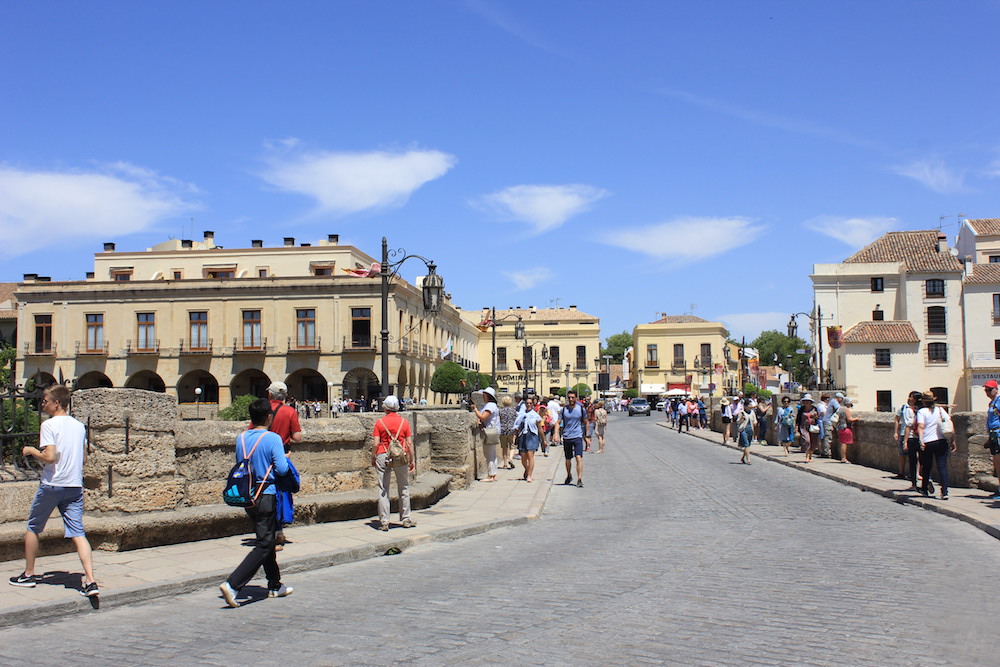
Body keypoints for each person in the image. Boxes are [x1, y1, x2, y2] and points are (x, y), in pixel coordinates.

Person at [9, 385, 99, 596]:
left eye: (45, 401)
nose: (42, 404)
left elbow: (50, 457)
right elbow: (84, 457)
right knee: (78, 532)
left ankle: (29, 574)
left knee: (33, 527)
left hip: (52, 484)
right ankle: (91, 580)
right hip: (74, 485)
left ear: (56, 403)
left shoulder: (48, 425)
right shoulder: (78, 426)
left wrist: (32, 451)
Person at [219, 398, 292, 607]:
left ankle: (274, 585)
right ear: (269, 417)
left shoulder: (241, 438)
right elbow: (282, 470)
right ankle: (233, 584)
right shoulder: (272, 439)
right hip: (266, 493)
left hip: (247, 494)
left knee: (265, 538)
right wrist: (285, 457)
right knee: (264, 543)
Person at [266, 382, 302, 551]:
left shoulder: (263, 410)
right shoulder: (289, 411)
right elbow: (297, 437)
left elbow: (252, 430)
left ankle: (273, 532)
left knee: (266, 493)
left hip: (264, 457)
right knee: (282, 493)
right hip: (283, 456)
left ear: (270, 395)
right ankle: (278, 532)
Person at [371, 395, 415, 530]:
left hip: (383, 454)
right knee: (404, 487)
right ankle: (406, 519)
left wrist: (373, 456)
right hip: (400, 455)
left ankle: (384, 521)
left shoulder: (379, 423)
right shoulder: (404, 422)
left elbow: (375, 443)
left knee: (384, 489)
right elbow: (409, 443)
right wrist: (411, 459)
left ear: (385, 408)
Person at [915, 391, 955, 500]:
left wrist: (921, 440)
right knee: (942, 466)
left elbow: (921, 427)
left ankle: (924, 489)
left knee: (926, 466)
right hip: (941, 441)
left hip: (928, 441)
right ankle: (945, 491)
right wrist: (952, 440)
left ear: (923, 401)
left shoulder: (922, 412)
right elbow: (949, 424)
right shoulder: (940, 410)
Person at [555, 390, 589, 487]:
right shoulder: (564, 410)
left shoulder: (581, 409)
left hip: (577, 436)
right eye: (569, 397)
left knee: (578, 457)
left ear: (576, 398)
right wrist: (556, 434)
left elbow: (586, 421)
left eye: (572, 397)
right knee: (568, 459)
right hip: (567, 436)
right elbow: (558, 422)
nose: (571, 399)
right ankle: (569, 474)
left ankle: (579, 478)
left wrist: (587, 435)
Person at [472, 387, 500, 482]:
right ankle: (493, 474)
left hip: (490, 431)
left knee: (489, 454)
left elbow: (483, 417)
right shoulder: (492, 405)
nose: (483, 397)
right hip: (492, 431)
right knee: (492, 453)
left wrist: (475, 409)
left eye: (484, 395)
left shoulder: (490, 406)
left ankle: (491, 475)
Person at [513, 396, 545, 482]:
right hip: (523, 436)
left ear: (533, 405)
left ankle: (529, 475)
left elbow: (540, 428)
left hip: (532, 436)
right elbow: (517, 427)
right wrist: (515, 436)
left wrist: (543, 440)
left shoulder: (535, 415)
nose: (529, 405)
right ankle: (527, 469)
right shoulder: (521, 415)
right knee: (523, 457)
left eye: (530, 403)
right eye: (527, 403)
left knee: (530, 455)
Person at [894, 391, 920, 482]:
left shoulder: (918, 409)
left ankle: (915, 474)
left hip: (915, 434)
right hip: (903, 433)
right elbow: (897, 420)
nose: (909, 398)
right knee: (902, 454)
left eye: (911, 397)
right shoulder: (903, 407)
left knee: (915, 456)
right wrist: (896, 432)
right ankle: (901, 472)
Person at [984, 380, 1000, 501]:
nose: (987, 392)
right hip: (994, 434)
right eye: (986, 390)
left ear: (996, 389)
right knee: (997, 463)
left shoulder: (998, 402)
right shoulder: (992, 403)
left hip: (998, 434)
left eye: (989, 389)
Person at [797, 394, 819, 462]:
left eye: (808, 401)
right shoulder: (801, 409)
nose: (807, 402)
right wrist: (796, 427)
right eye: (805, 401)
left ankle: (810, 455)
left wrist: (816, 417)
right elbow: (798, 418)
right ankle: (807, 456)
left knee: (814, 443)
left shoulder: (814, 408)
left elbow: (818, 418)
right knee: (807, 441)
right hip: (804, 427)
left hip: (813, 427)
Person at [498, 395, 518, 470]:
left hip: (503, 430)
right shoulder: (513, 411)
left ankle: (505, 463)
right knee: (512, 446)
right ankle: (511, 459)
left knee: (504, 448)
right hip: (511, 430)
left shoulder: (500, 411)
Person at [835, 398, 858, 463]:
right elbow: (849, 419)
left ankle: (842, 457)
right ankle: (843, 458)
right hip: (845, 427)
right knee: (844, 443)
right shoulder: (846, 409)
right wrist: (857, 418)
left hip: (839, 427)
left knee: (842, 442)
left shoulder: (840, 408)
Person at [736, 398, 757, 464]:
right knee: (746, 445)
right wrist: (742, 419)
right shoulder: (742, 413)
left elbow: (754, 420)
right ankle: (748, 459)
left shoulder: (752, 412)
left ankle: (743, 458)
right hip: (743, 429)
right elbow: (738, 422)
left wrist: (755, 422)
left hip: (750, 429)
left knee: (748, 444)